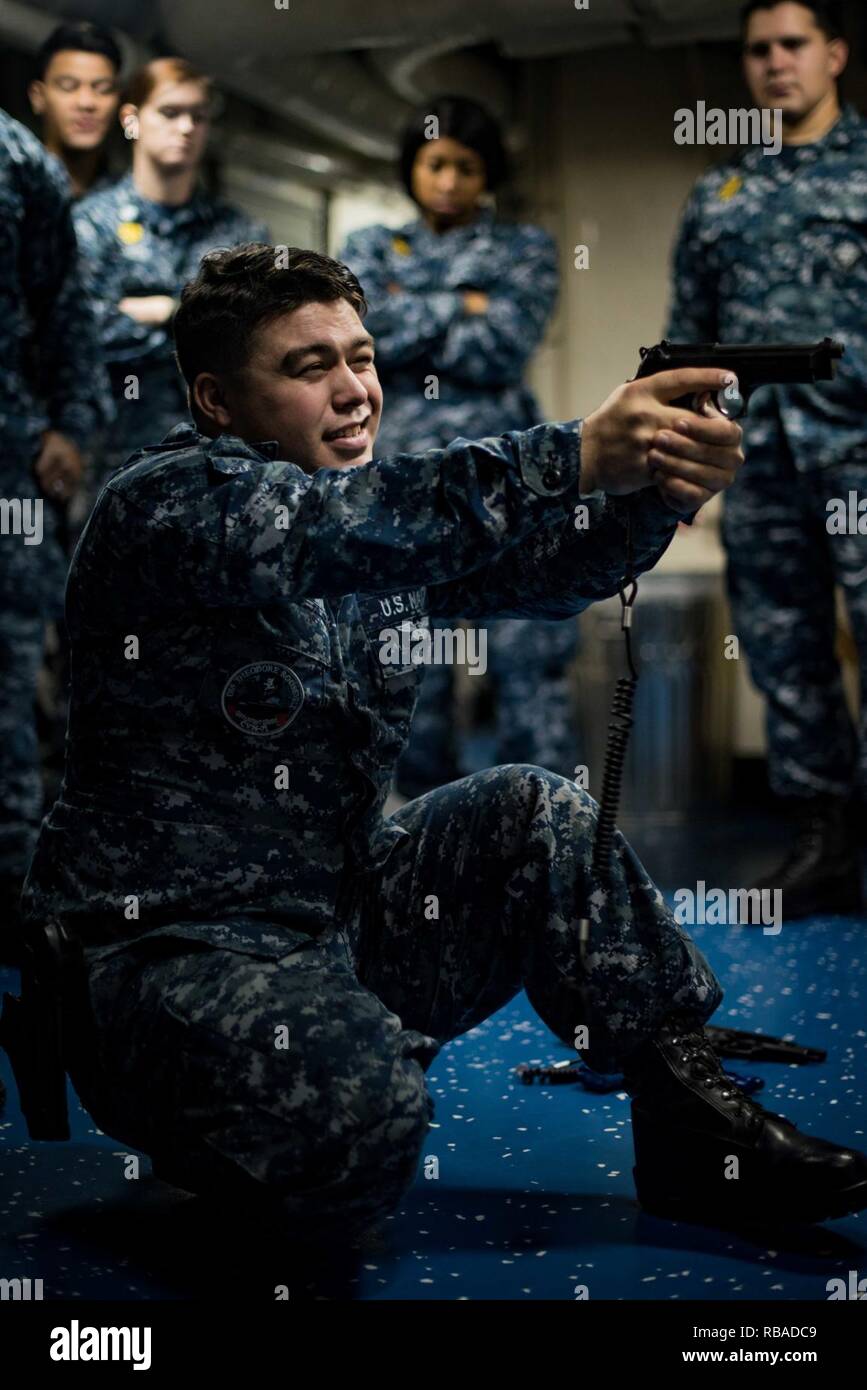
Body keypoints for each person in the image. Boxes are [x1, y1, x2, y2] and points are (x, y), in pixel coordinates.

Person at [20, 244, 867, 1241]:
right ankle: (246, 1117)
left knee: (529, 810)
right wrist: (576, 451)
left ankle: (690, 1128)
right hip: (172, 957)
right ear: (214, 399)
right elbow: (347, 527)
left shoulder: (377, 526)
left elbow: (541, 570)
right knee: (365, 1116)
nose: (355, 392)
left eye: (363, 358)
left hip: (339, 920)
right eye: (309, 368)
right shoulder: (165, 507)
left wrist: (661, 489)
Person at [667, 0, 867, 919]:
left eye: (793, 44)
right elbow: (687, 336)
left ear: (833, 53)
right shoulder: (721, 194)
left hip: (859, 448)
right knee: (784, 652)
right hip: (761, 459)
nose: (774, 62)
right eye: (757, 49)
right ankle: (823, 843)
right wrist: (681, 456)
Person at [341, 97, 579, 799]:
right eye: (435, 163)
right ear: (411, 168)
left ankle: (544, 824)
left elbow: (503, 345)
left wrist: (409, 305)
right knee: (408, 661)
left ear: (487, 176)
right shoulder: (368, 248)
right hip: (405, 481)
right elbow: (362, 327)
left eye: (465, 167)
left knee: (526, 657)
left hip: (508, 478)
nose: (447, 180)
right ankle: (420, 838)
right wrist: (464, 302)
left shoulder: (524, 248)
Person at [0, 108, 110, 973]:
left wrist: (70, 425)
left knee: (11, 687)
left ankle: (12, 906)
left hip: (9, 470)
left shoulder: (16, 160)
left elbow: (64, 310)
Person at [73, 57, 268, 497]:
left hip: (217, 467)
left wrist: (162, 312)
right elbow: (79, 334)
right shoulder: (89, 225)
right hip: (112, 461)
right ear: (131, 119)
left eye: (197, 116)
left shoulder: (239, 235)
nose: (185, 128)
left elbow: (250, 340)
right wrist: (191, 326)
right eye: (169, 112)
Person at [27, 20, 122, 200]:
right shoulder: (13, 186)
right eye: (68, 86)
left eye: (102, 89)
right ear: (38, 97)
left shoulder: (131, 204)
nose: (86, 103)